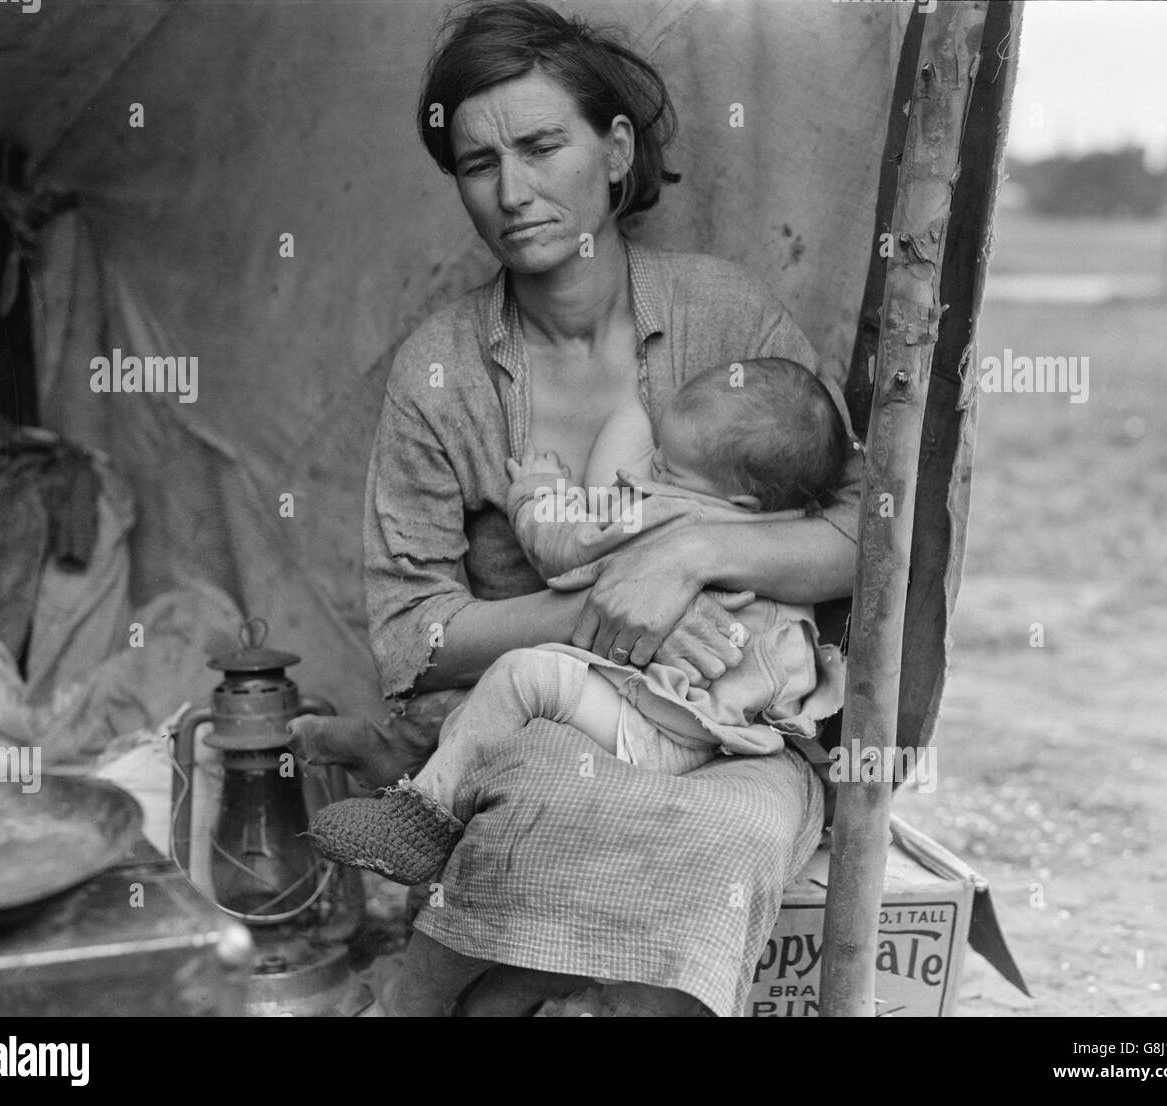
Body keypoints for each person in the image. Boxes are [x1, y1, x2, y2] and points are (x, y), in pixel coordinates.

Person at [288, 0, 862, 1017]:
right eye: (477, 164)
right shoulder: (441, 368)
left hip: (739, 730)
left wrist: (686, 558)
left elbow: (863, 537)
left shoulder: (723, 319)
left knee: (718, 855)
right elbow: (409, 635)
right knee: (542, 805)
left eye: (542, 145)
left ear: (614, 149)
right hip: (559, 714)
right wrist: (601, 609)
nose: (513, 192)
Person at [307, 357, 851, 886]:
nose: (651, 468)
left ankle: (419, 822)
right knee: (515, 704)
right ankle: (410, 762)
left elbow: (569, 549)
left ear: (738, 499)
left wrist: (537, 492)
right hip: (724, 726)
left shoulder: (675, 514)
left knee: (523, 676)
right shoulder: (785, 528)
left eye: (668, 468)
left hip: (665, 730)